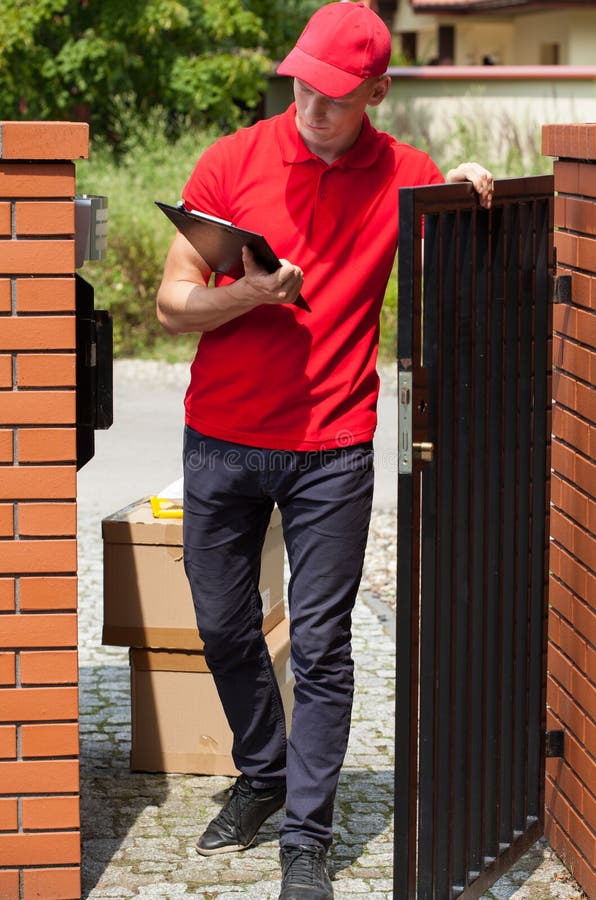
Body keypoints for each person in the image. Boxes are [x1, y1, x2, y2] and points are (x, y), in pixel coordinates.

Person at [156, 3, 493, 897]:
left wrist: (464, 184)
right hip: (222, 438)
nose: (311, 102)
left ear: (376, 92)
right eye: (303, 81)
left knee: (323, 647)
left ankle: (306, 833)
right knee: (224, 626)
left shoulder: (404, 175)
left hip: (334, 447)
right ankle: (264, 772)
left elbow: (460, 248)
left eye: (336, 94)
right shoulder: (232, 161)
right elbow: (171, 304)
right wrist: (251, 297)